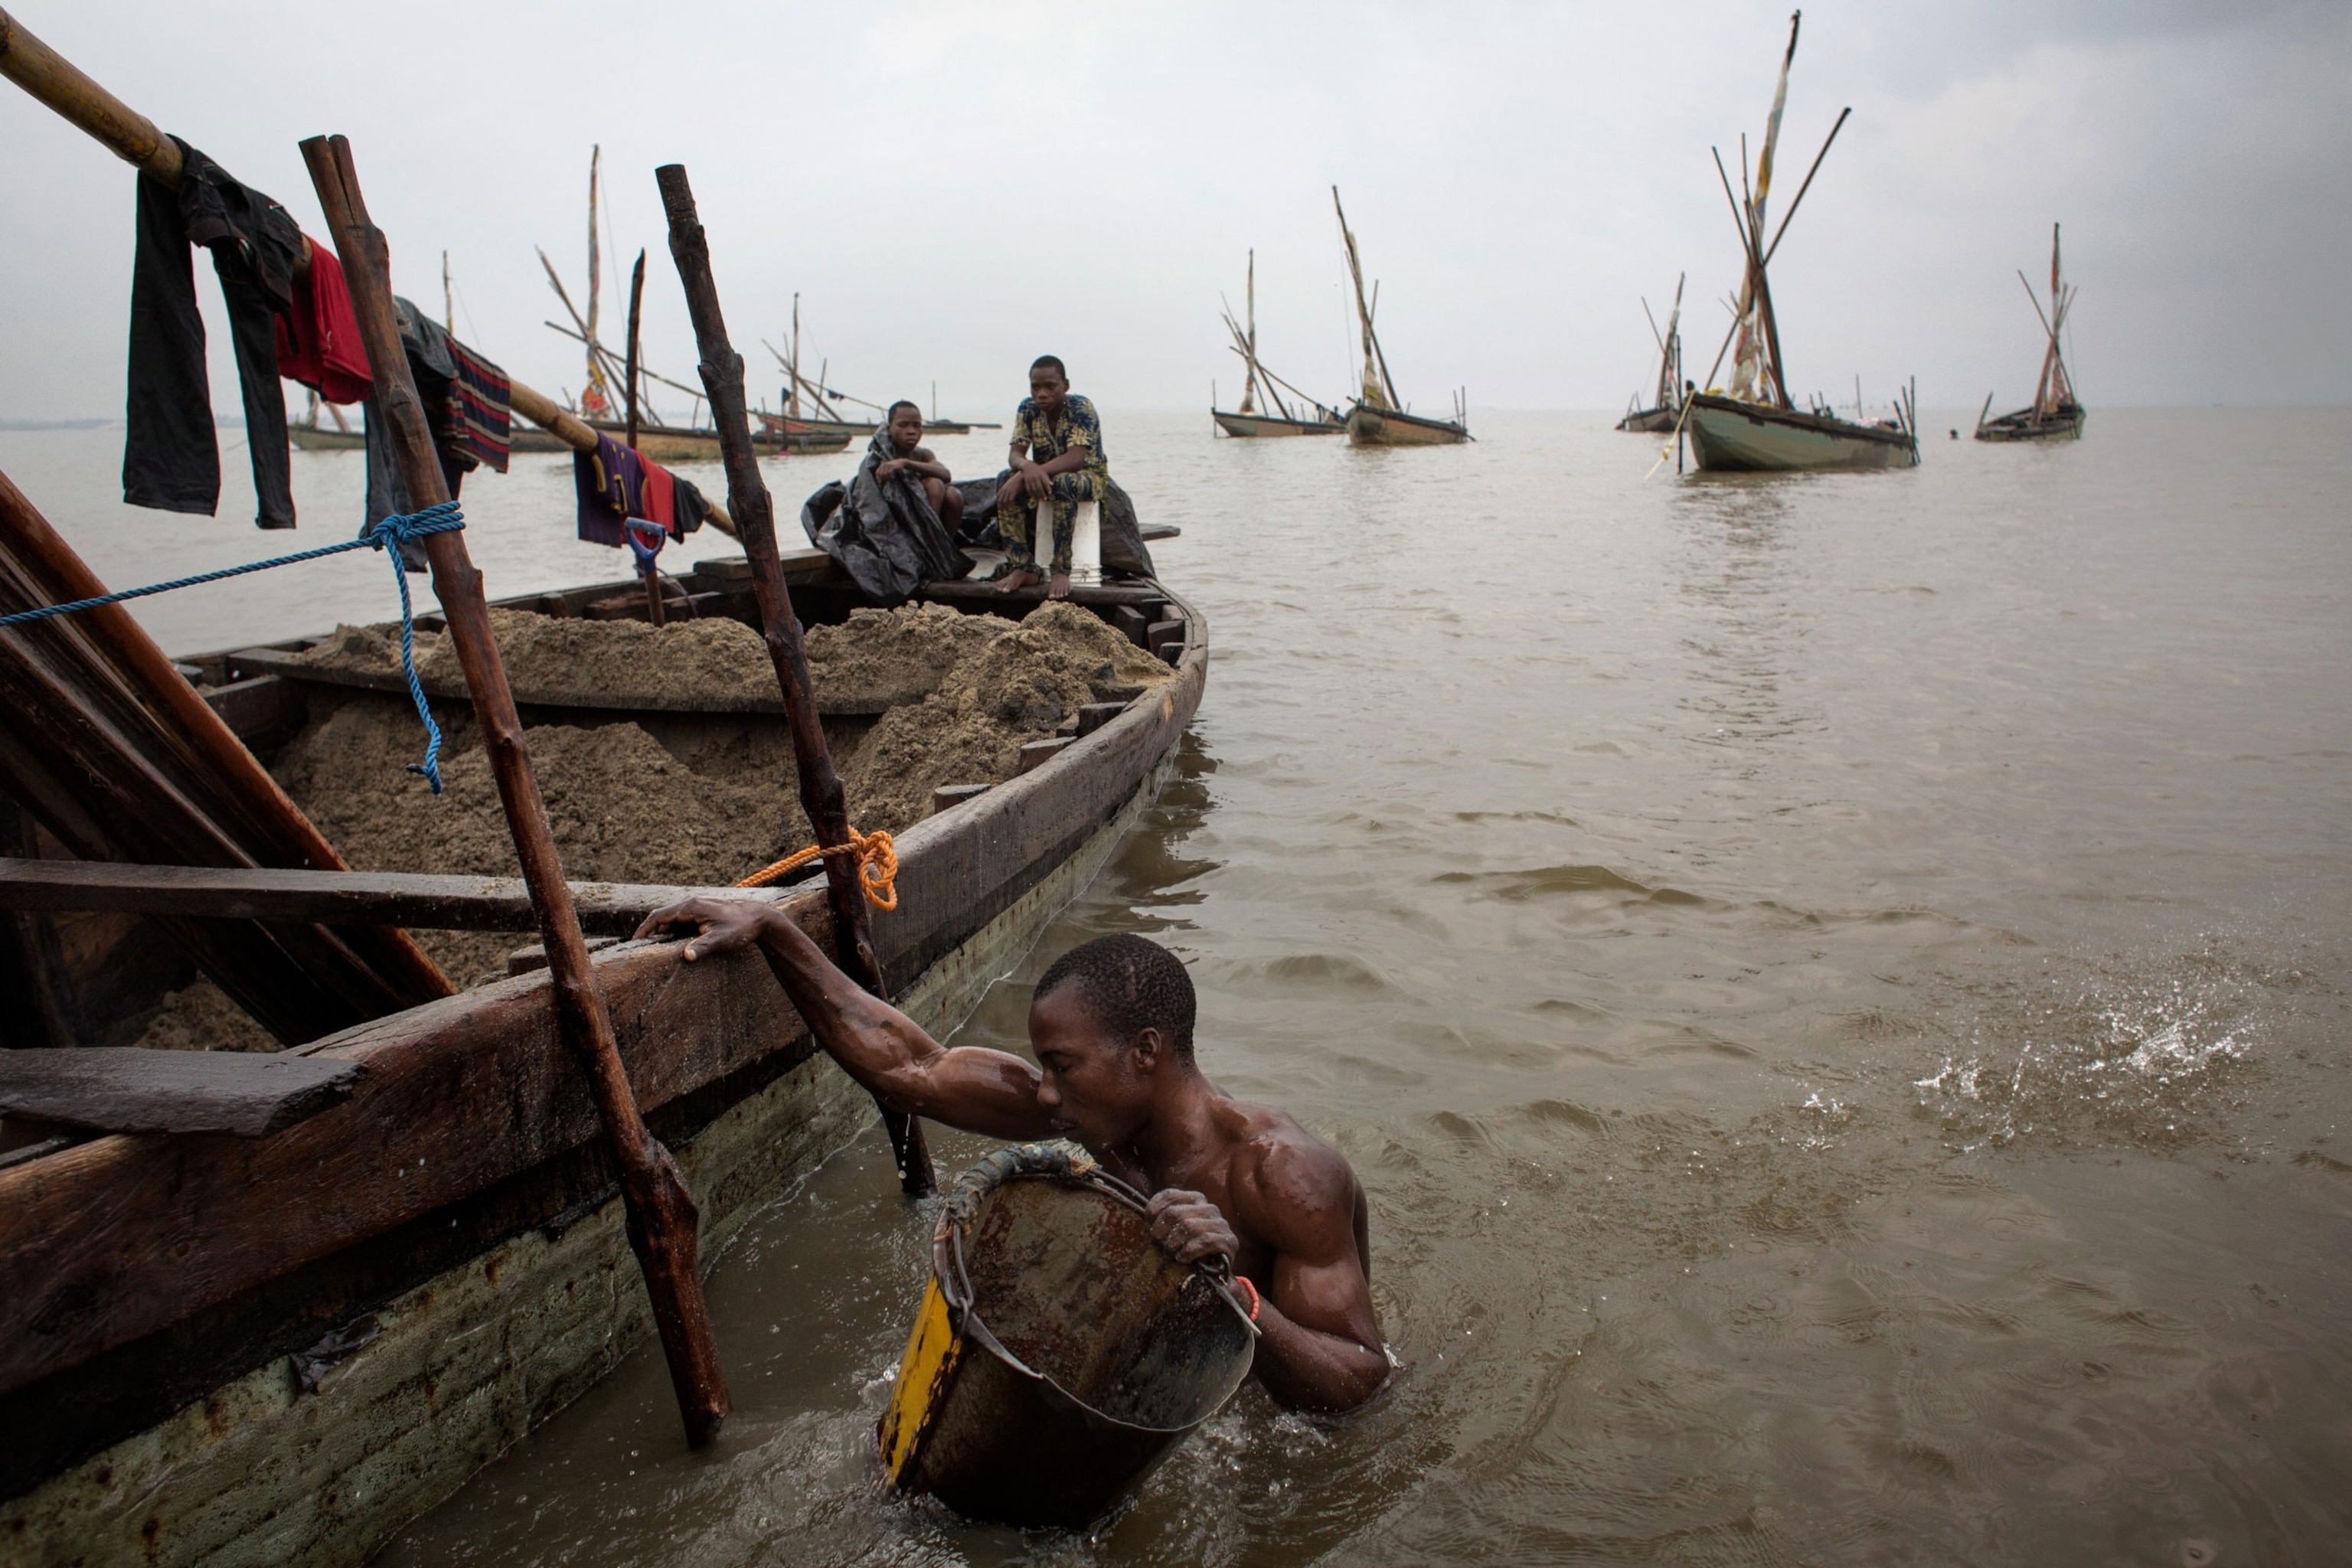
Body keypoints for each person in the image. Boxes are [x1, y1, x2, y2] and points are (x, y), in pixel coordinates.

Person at [630, 904, 1392, 1413]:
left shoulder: (1282, 1175)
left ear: (1146, 1051)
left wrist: (1239, 1295)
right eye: (1042, 1067)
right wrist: (774, 931)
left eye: (1063, 1064)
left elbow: (1362, 1379)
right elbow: (912, 1068)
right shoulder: (1098, 1117)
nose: (1046, 1094)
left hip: (1290, 1410)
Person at [998, 355, 1109, 601]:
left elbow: (1076, 458)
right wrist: (1025, 468)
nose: (1042, 394)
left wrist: (1034, 470)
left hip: (1088, 477)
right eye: (1036, 387)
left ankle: (1061, 569)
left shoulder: (1080, 408)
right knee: (1005, 479)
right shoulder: (1028, 409)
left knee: (1064, 482)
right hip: (1044, 473)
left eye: (1050, 386)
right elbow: (1015, 454)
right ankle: (1024, 566)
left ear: (1065, 386)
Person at [873, 400, 962, 534]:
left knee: (950, 492)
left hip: (929, 518)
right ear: (889, 429)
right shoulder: (880, 457)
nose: (911, 431)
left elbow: (945, 474)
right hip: (898, 526)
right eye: (903, 425)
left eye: (917, 425)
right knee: (934, 484)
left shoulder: (923, 454)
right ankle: (926, 543)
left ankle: (940, 544)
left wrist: (906, 463)